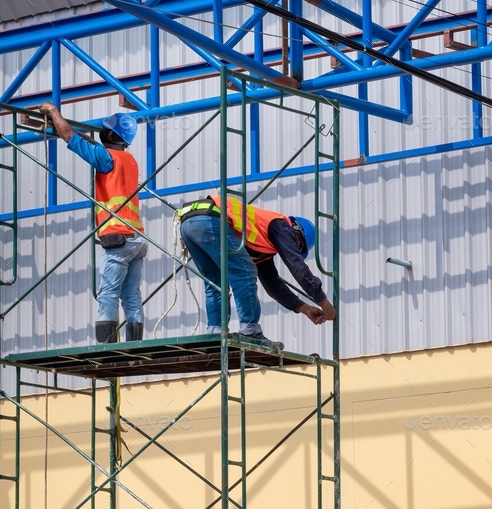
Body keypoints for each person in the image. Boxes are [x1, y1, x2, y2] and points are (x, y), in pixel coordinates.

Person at [38, 103, 146, 344]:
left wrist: (54, 112)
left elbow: (71, 138)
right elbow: (91, 143)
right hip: (137, 238)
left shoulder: (107, 159)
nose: (101, 133)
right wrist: (65, 127)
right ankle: (135, 344)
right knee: (131, 295)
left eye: (105, 130)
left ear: (111, 136)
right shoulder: (128, 159)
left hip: (118, 238)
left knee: (108, 292)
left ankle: (106, 346)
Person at [177, 196, 335, 339]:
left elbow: (273, 285)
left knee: (215, 281)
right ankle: (250, 329)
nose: (294, 249)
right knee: (245, 272)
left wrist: (304, 308)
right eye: (298, 246)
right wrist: (322, 300)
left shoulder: (262, 245)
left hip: (188, 223)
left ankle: (215, 332)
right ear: (297, 231)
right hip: (212, 218)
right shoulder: (281, 225)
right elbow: (297, 266)